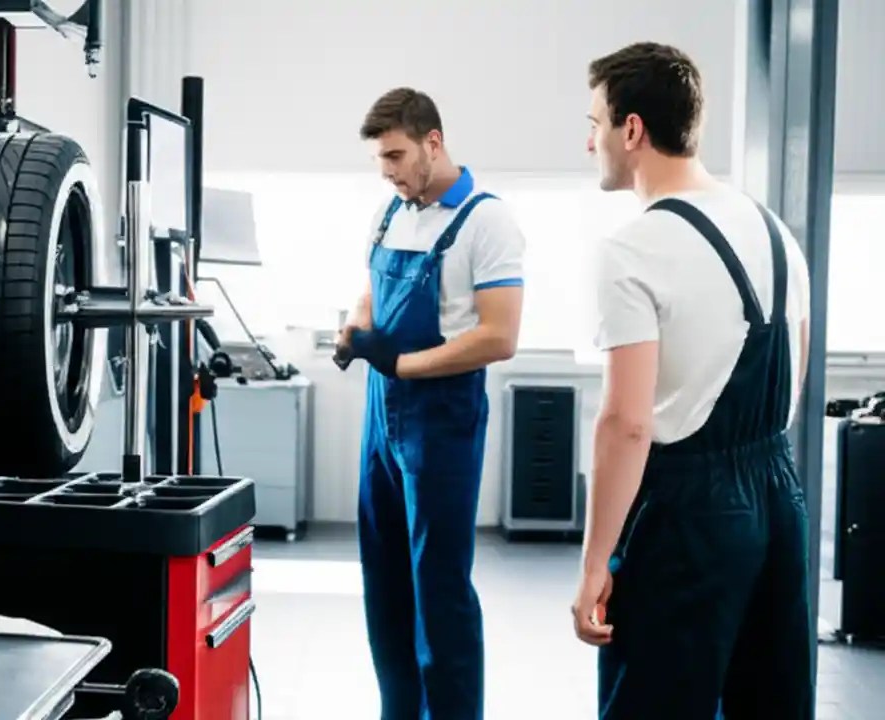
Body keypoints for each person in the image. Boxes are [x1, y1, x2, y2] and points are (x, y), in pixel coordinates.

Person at [571, 42, 814, 719]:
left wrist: (595, 565)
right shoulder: (774, 231)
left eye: (594, 122)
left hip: (687, 511)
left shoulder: (630, 251)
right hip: (778, 497)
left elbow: (627, 422)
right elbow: (794, 369)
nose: (588, 140)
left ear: (633, 129)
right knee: (772, 702)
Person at [335, 87, 525, 720]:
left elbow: (498, 337)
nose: (388, 172)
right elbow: (367, 292)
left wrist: (400, 362)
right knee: (385, 583)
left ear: (433, 143)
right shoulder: (389, 212)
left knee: (438, 588)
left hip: (441, 421)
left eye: (395, 155)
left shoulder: (485, 219)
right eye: (379, 161)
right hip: (380, 417)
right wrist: (355, 332)